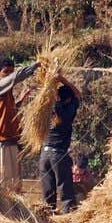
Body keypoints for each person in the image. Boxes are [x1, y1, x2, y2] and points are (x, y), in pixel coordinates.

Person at [0, 55, 39, 190]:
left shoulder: (5, 91)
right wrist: (35, 66)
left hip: (11, 142)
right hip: (1, 143)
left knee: (15, 187)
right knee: (4, 188)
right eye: (5, 72)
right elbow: (14, 78)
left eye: (10, 72)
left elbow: (8, 111)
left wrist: (20, 100)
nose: (8, 76)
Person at [39, 78, 80, 214]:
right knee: (65, 189)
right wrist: (62, 79)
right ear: (68, 99)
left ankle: (47, 219)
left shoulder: (48, 110)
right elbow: (77, 94)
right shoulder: (67, 112)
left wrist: (50, 85)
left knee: (48, 191)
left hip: (44, 155)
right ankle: (68, 218)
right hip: (58, 155)